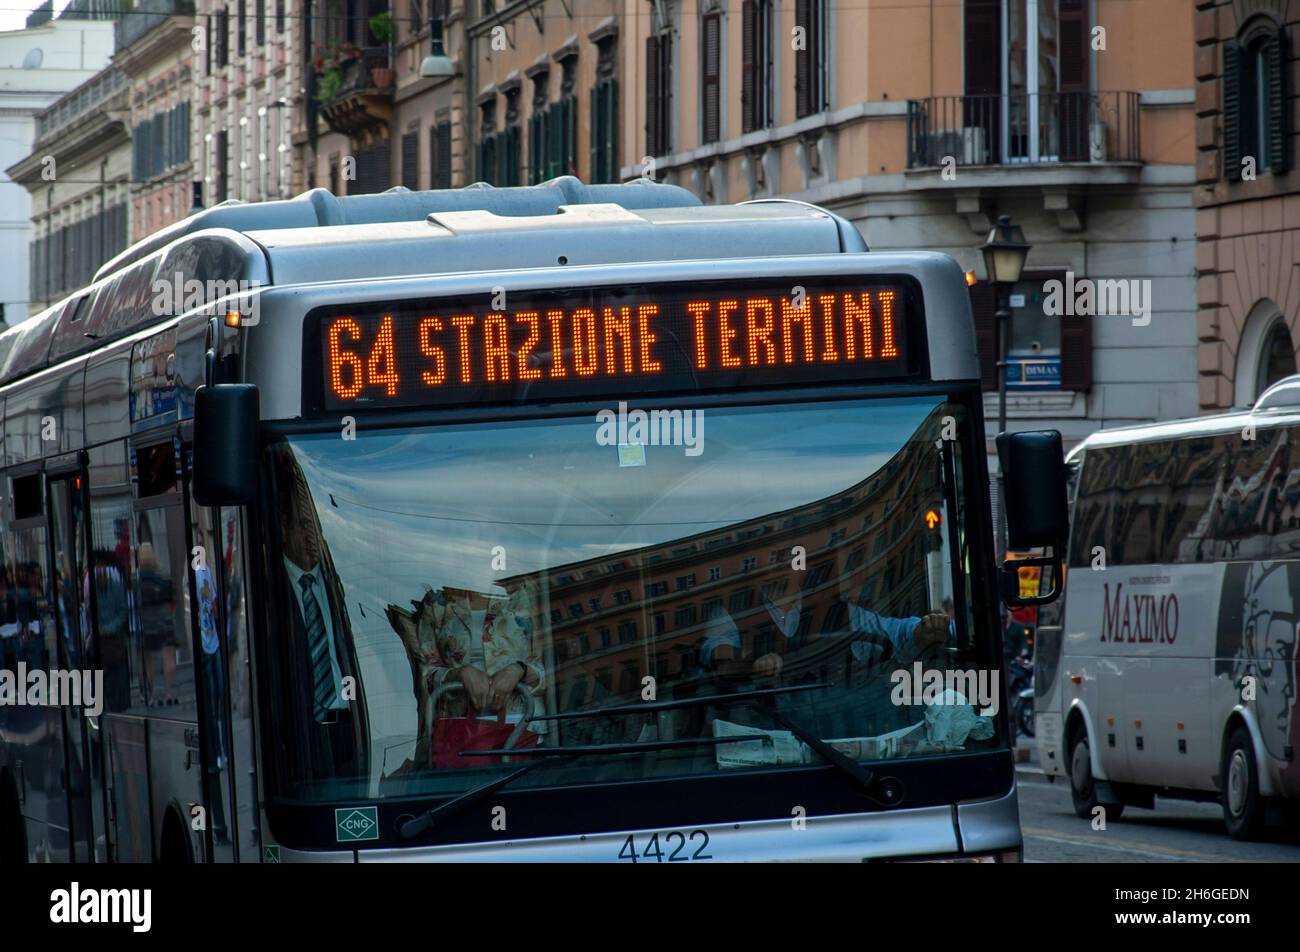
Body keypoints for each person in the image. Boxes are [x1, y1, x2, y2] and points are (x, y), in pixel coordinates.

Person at [274, 448, 370, 784]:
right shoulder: (270, 590)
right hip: (299, 736)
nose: (313, 538)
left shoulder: (341, 581)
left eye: (316, 526)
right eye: (304, 526)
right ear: (284, 529)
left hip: (351, 724)